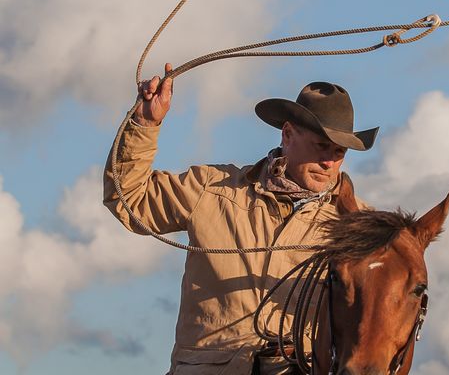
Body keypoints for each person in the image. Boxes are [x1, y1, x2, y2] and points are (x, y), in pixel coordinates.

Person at [103, 63, 378, 375]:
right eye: (321, 146)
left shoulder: (359, 228)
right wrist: (144, 124)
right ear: (288, 134)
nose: (329, 161)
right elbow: (129, 200)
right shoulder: (212, 189)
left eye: (339, 151)